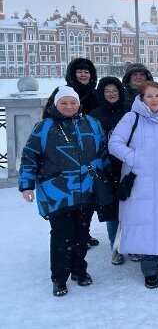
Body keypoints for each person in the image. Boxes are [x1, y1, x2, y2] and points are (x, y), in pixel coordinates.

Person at [19, 86, 111, 297]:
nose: (69, 107)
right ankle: (59, 278)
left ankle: (79, 270)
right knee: (61, 235)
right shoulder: (44, 127)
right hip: (57, 192)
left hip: (87, 189)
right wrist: (26, 185)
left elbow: (103, 153)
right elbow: (30, 156)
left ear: (79, 104)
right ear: (56, 104)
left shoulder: (92, 123)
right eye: (64, 103)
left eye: (73, 102)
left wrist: (107, 179)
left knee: (81, 233)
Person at [108, 82, 158, 289]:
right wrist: (136, 158)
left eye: (157, 96)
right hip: (139, 180)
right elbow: (114, 144)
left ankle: (152, 258)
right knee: (144, 222)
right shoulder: (131, 118)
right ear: (142, 98)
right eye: (149, 96)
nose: (154, 100)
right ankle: (149, 269)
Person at [43, 57, 100, 248]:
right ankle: (70, 238)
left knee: (87, 199)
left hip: (88, 154)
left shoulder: (95, 94)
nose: (83, 75)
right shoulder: (62, 92)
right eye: (80, 71)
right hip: (65, 154)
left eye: (87, 72)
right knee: (67, 200)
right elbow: (48, 121)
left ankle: (84, 233)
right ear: (72, 74)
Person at [89, 76, 127, 265]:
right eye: (107, 91)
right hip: (106, 168)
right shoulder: (94, 116)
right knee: (112, 210)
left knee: (131, 208)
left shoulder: (129, 112)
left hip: (128, 166)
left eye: (114, 90)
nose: (111, 94)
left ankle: (132, 244)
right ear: (102, 94)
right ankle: (116, 247)